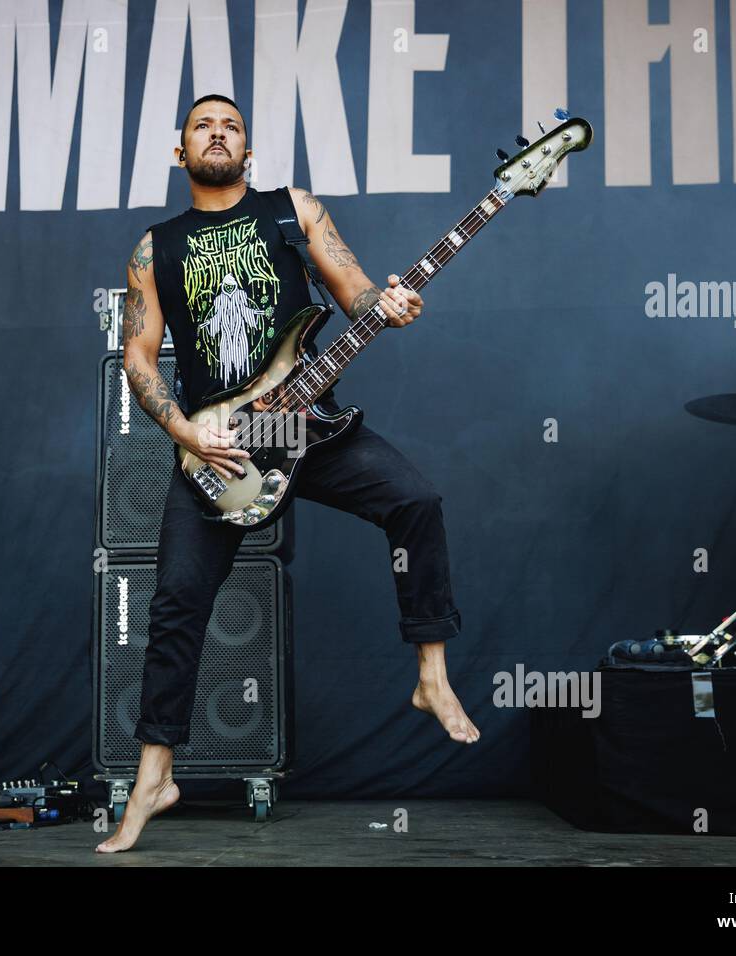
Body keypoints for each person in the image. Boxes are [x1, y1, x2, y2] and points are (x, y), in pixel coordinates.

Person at [96, 94, 478, 854]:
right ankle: (153, 779)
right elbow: (139, 357)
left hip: (310, 426)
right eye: (202, 125)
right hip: (224, 447)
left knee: (418, 501)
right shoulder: (155, 247)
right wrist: (182, 430)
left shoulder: (290, 210)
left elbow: (355, 292)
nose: (217, 133)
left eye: (230, 125)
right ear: (181, 152)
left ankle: (430, 674)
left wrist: (388, 303)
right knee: (175, 604)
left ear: (247, 147)